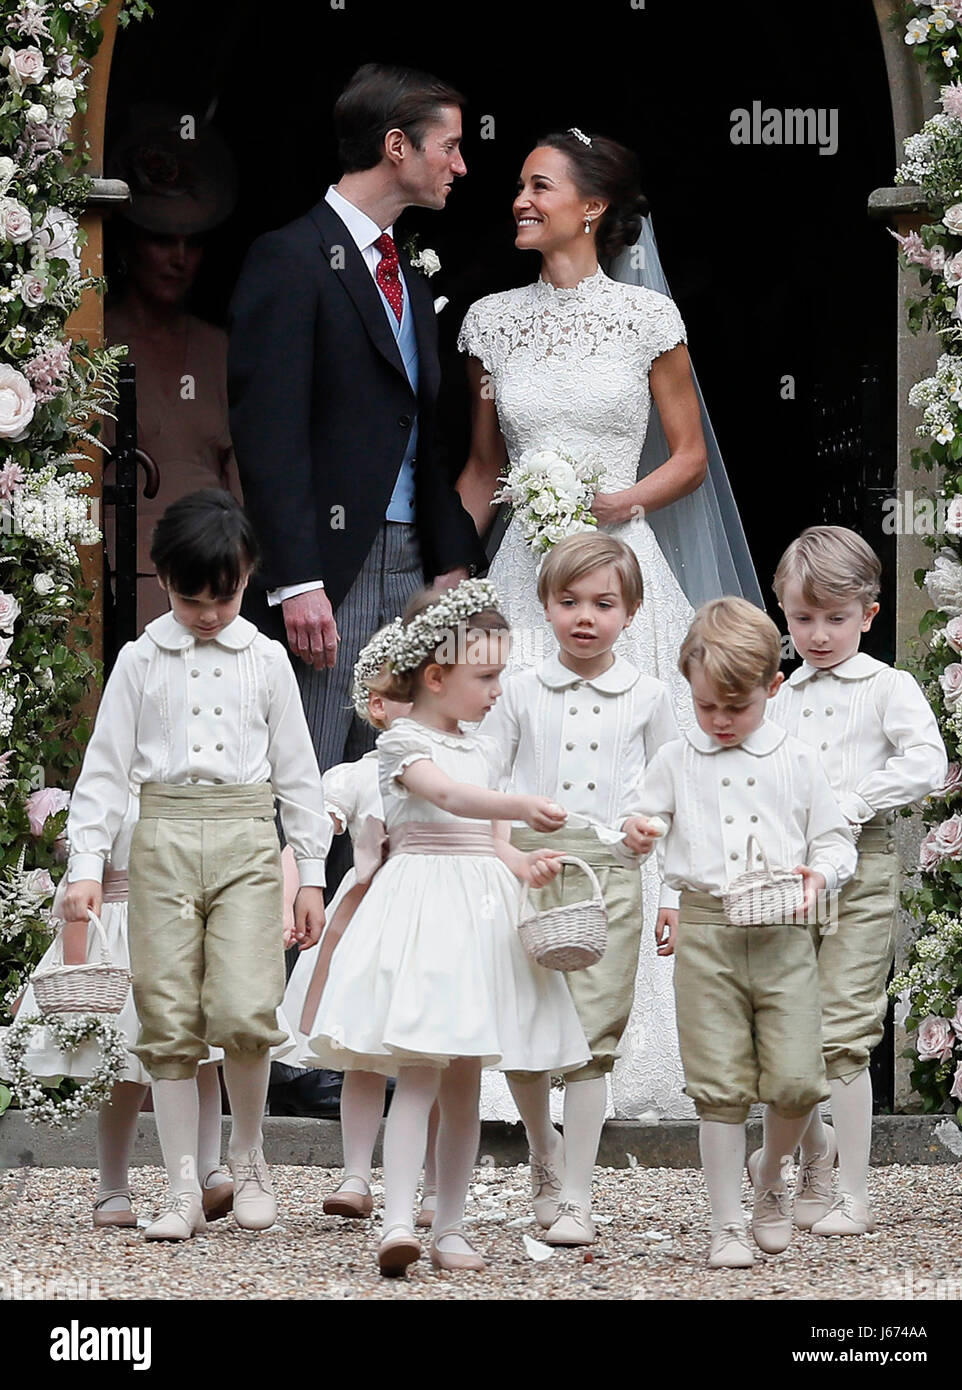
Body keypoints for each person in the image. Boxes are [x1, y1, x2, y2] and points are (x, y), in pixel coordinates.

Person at [455, 129, 710, 1121]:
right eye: (518, 184)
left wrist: (618, 501)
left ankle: (628, 1042)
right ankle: (500, 1041)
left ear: (590, 207)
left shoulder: (647, 316)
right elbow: (482, 469)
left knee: (625, 782)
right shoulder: (487, 322)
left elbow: (685, 454)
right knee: (514, 774)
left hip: (618, 568)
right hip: (523, 574)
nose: (517, 198)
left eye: (536, 185)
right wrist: (454, 578)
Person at [303, 579, 590, 1276]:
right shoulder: (401, 742)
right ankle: (398, 1218)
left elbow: (493, 840)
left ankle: (451, 1224)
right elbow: (446, 795)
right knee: (420, 1069)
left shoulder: (487, 749)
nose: (498, 691)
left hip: (480, 916)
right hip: (423, 909)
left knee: (465, 1079)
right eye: (485, 676)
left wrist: (525, 862)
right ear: (435, 676)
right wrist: (518, 799)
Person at [62, 489, 327, 1241]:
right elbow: (106, 769)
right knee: (167, 1016)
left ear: (247, 576)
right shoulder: (141, 660)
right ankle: (180, 1184)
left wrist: (308, 873)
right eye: (190, 597)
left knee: (246, 1008)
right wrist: (86, 864)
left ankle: (247, 1156)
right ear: (162, 579)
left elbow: (298, 774)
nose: (208, 612)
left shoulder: (268, 660)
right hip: (163, 841)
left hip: (245, 834)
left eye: (226, 595)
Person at [228, 63, 484, 777]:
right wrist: (296, 579)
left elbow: (421, 430)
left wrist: (449, 558)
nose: (461, 166)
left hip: (412, 568)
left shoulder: (410, 268)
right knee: (309, 787)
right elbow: (268, 430)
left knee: (397, 786)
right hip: (330, 572)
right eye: (450, 147)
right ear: (397, 146)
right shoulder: (289, 258)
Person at [622, 598, 857, 1267]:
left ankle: (772, 1173)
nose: (720, 722)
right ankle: (727, 1222)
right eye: (705, 708)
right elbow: (642, 815)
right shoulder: (674, 757)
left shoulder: (800, 760)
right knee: (719, 1087)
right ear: (688, 692)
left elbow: (835, 841)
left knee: (795, 1080)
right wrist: (638, 832)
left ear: (771, 688)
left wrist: (820, 876)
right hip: (706, 930)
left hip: (785, 933)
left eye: (736, 707)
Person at [480, 534, 678, 1245]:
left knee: (595, 1037)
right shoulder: (520, 692)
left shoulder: (649, 695)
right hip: (530, 871)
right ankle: (542, 1153)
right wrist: (503, 849)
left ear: (630, 612)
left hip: (610, 875)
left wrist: (658, 863)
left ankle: (576, 1195)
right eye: (568, 602)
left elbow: (668, 793)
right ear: (545, 606)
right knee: (530, 1030)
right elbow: (482, 780)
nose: (584, 617)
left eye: (602, 603)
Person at [770, 526, 947, 1237]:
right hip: (788, 871)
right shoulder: (780, 696)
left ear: (867, 615)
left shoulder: (886, 686)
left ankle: (852, 1193)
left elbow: (924, 764)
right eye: (801, 617)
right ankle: (812, 1153)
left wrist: (847, 802)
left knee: (844, 1026)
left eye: (834, 618)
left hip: (859, 862)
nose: (816, 634)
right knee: (786, 1026)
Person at [1, 800, 234, 1230]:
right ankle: (112, 1189)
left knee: (203, 1056)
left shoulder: (184, 789)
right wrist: (77, 970)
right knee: (123, 1072)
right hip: (118, 943)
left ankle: (207, 1170)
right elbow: (80, 888)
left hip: (179, 933)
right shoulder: (106, 800)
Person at [278, 622, 440, 1229]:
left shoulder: (453, 768)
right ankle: (354, 1172)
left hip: (433, 916)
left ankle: (430, 1185)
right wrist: (293, 894)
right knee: (364, 1053)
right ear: (378, 706)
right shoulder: (354, 774)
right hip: (371, 918)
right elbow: (310, 834)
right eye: (413, 697)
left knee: (437, 1052)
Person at [104, 104, 242, 632]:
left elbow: (243, 484)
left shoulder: (220, 349)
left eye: (193, 241)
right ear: (128, 242)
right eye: (162, 240)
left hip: (216, 586)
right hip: (120, 586)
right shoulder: (91, 342)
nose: (179, 257)